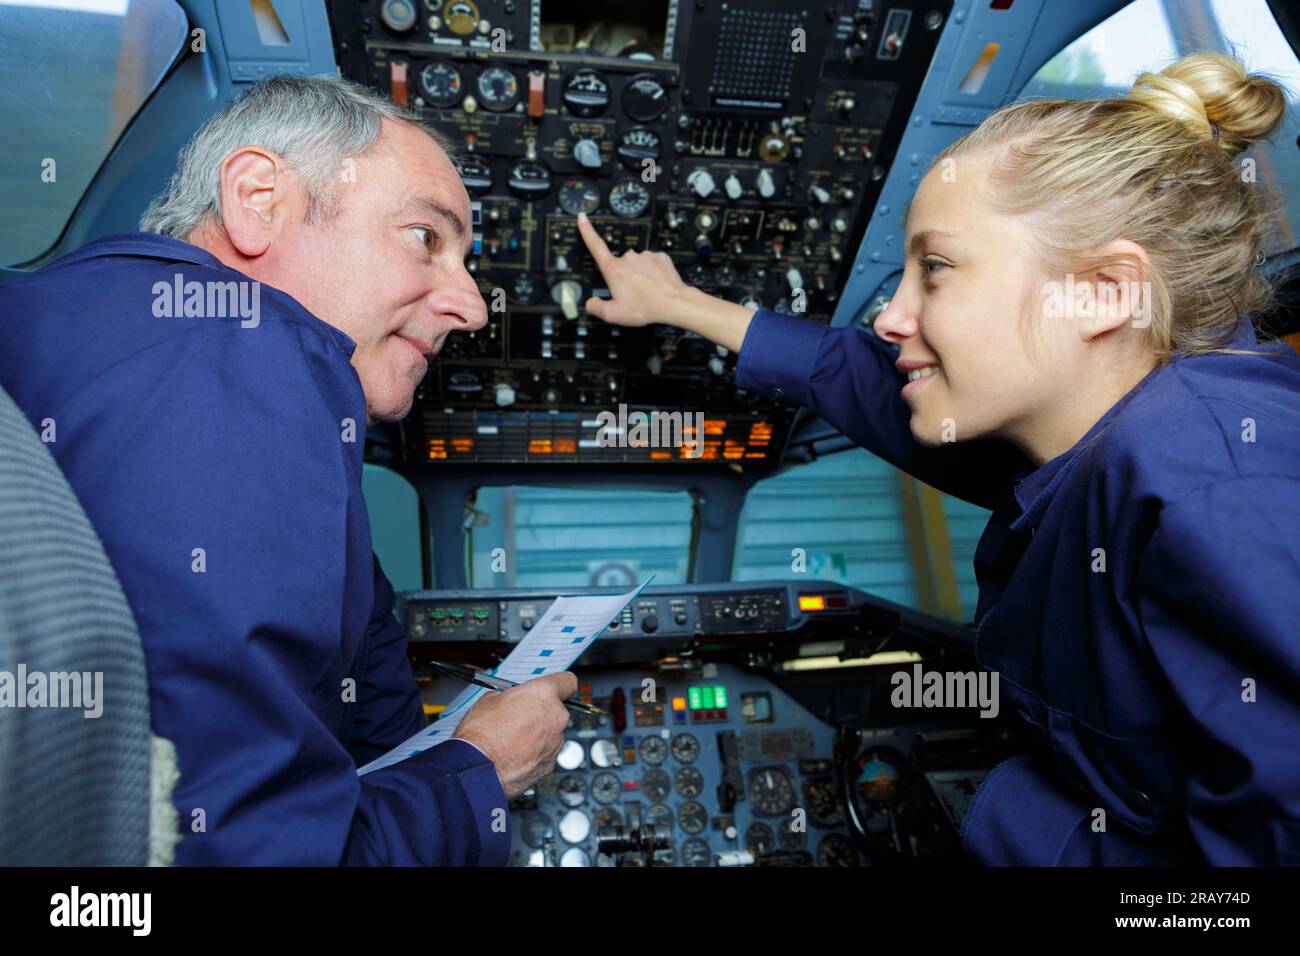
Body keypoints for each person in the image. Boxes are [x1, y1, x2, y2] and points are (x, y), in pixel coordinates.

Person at [576, 52, 1300, 865]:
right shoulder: (1090, 434)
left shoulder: (1212, 477)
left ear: (1100, 291)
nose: (892, 316)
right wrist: (675, 304)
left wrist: (1017, 817)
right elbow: (860, 383)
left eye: (936, 269)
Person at [0, 75, 574, 865]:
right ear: (258, 200)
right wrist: (481, 771)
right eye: (424, 238)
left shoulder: (75, 313)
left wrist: (432, 752)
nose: (473, 307)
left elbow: (361, 712)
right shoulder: (244, 362)